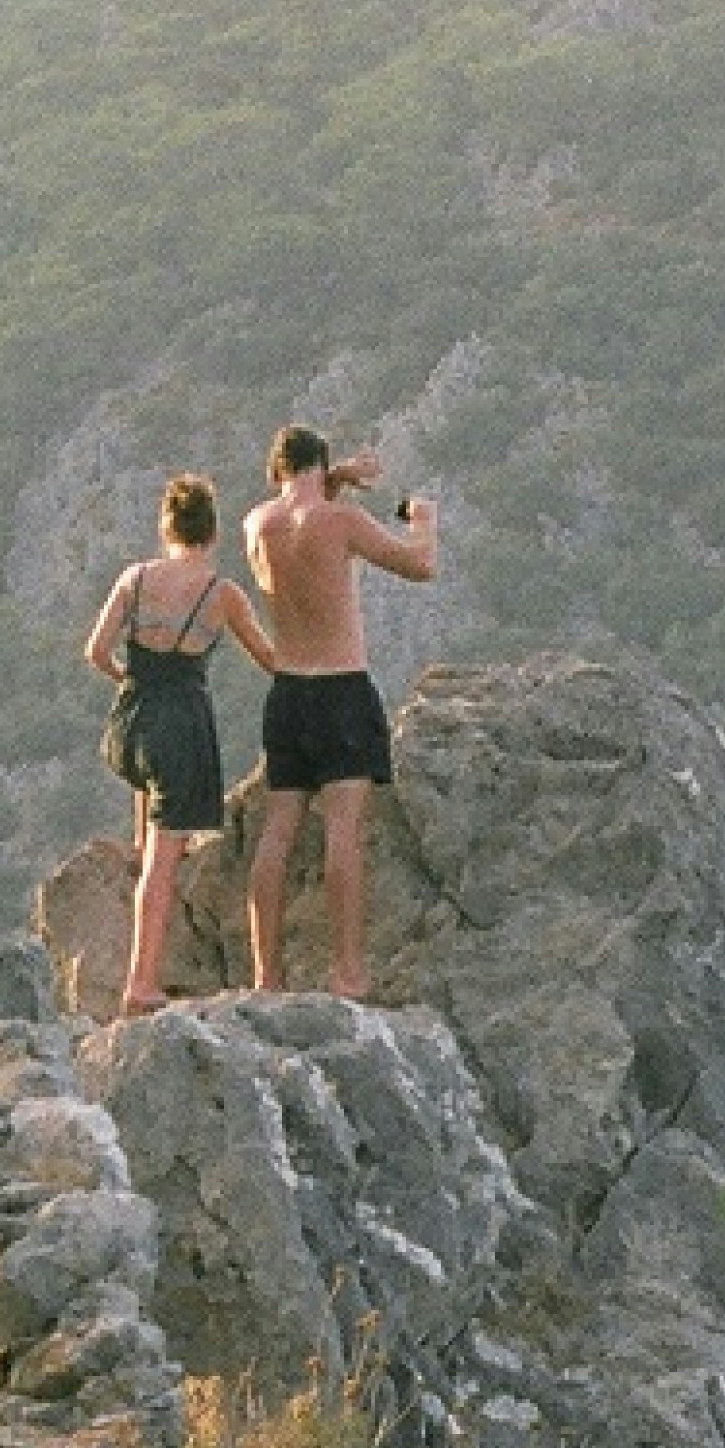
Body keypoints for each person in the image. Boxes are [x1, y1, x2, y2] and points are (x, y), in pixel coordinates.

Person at [242, 423, 439, 1004]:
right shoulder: (340, 521)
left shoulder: (257, 525)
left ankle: (266, 976)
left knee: (277, 833)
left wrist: (337, 476)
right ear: (320, 465)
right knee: (343, 831)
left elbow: (297, 499)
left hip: (287, 692)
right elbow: (420, 566)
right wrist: (424, 520)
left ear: (276, 469)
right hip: (340, 689)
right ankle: (348, 974)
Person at [83, 475, 281, 1016]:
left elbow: (96, 652)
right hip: (181, 727)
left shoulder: (136, 579)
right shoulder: (221, 594)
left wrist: (129, 677)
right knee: (163, 865)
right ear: (212, 531)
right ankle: (141, 982)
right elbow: (269, 660)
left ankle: (139, 846)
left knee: (147, 809)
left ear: (165, 526)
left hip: (132, 721)